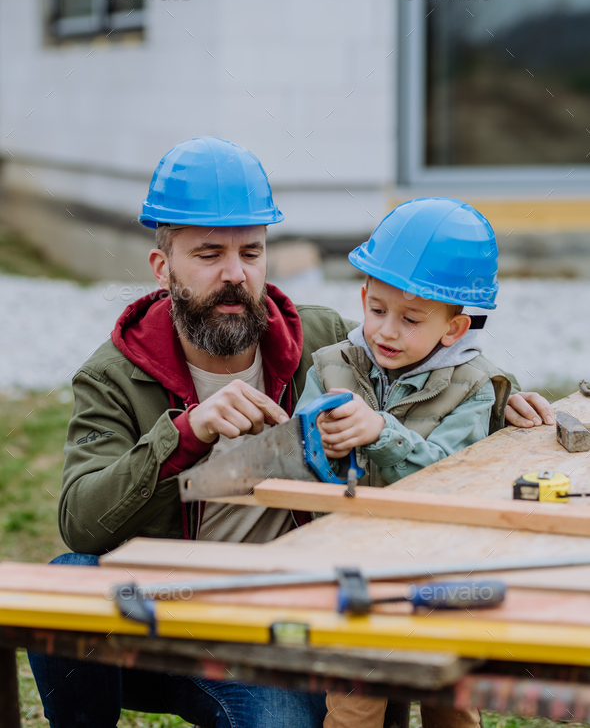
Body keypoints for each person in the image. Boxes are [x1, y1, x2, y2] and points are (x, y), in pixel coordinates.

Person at [28, 140, 553, 728]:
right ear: (162, 268)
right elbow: (81, 521)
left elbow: (436, 365)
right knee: (66, 581)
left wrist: (506, 403)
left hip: (278, 628)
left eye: (251, 251)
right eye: (208, 253)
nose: (235, 273)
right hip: (162, 611)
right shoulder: (113, 374)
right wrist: (185, 433)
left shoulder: (326, 342)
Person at [293, 197, 555, 728]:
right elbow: (297, 455)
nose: (387, 331)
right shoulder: (330, 365)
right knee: (353, 703)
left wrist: (382, 432)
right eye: (377, 309)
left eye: (411, 318)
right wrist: (320, 445)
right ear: (363, 296)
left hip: (442, 570)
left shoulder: (474, 388)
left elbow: (450, 478)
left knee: (449, 699)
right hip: (355, 568)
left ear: (454, 329)